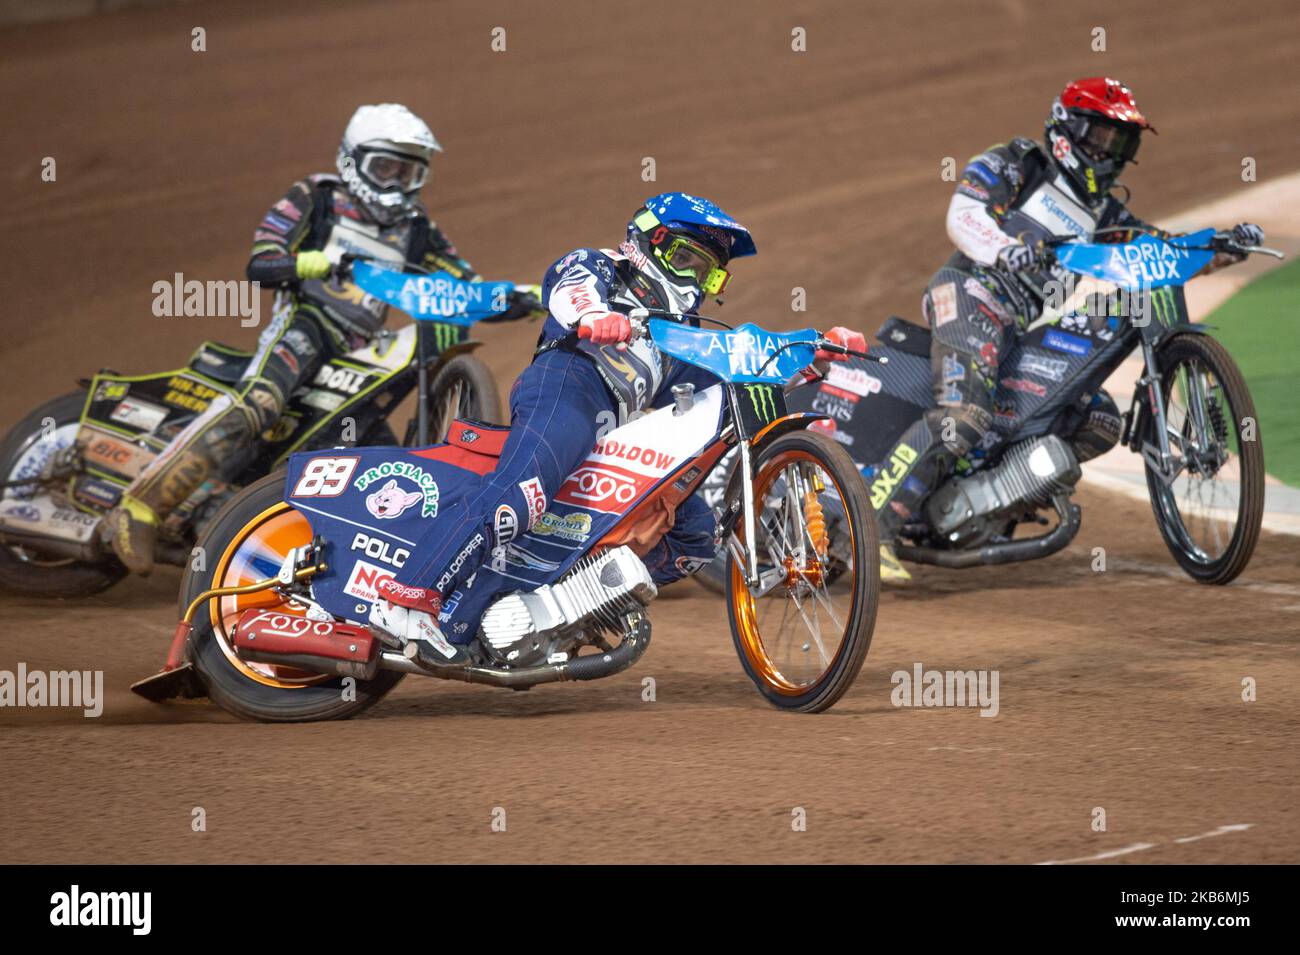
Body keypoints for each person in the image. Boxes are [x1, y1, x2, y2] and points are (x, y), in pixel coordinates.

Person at [369, 191, 866, 665]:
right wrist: (595, 315)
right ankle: (409, 600)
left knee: (694, 537)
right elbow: (567, 288)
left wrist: (812, 349)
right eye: (687, 260)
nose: (695, 283)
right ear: (648, 242)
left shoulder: (679, 335)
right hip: (568, 386)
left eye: (710, 275)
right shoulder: (604, 266)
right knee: (518, 494)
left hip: (612, 441)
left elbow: (731, 368)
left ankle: (568, 605)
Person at [105, 103, 540, 574]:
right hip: (305, 323)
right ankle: (138, 508)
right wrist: (305, 263)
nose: (395, 183)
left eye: (408, 172)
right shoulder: (316, 197)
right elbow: (261, 260)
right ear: (352, 162)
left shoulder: (416, 229)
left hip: (359, 349)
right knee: (262, 402)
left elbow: (459, 286)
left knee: (378, 459)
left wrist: (529, 296)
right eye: (385, 168)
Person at [871, 77, 1265, 583]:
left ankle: (989, 505)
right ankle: (872, 528)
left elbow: (1162, 249)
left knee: (1098, 419)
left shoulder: (1106, 214)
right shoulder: (1018, 164)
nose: (1112, 152)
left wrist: (1220, 246)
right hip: (969, 293)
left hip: (1017, 326)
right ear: (1067, 132)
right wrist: (1002, 247)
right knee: (964, 414)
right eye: (1102, 138)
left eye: (1123, 142)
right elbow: (964, 214)